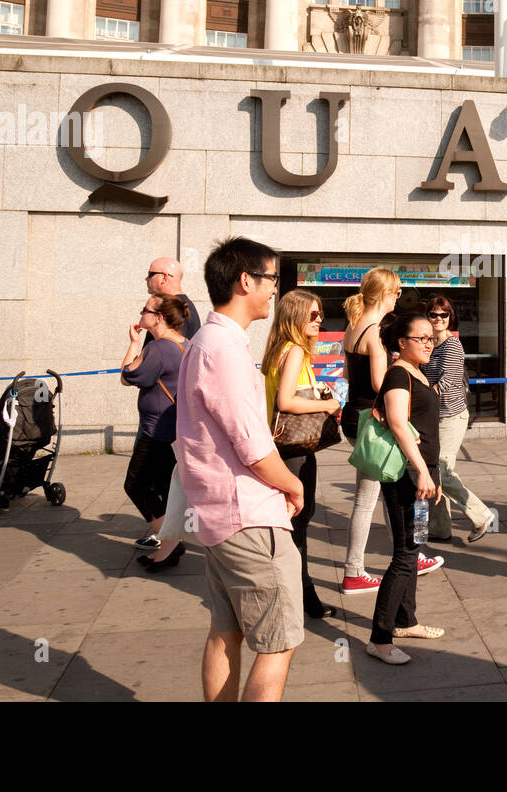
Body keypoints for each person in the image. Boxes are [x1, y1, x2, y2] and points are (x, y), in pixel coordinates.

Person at [176, 237, 305, 702]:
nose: (276, 289)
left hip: (218, 514)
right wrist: (292, 485)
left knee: (225, 631)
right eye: (271, 278)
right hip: (247, 514)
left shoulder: (207, 342)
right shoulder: (223, 348)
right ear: (245, 280)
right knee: (279, 642)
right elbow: (252, 445)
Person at [340, 267, 443, 593]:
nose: (399, 297)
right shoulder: (372, 330)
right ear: (384, 294)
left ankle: (414, 552)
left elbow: (346, 374)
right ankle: (354, 570)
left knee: (387, 492)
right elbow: (378, 382)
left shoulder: (353, 327)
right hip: (373, 423)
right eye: (396, 292)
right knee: (367, 499)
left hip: (356, 416)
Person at [366, 311, 447, 665]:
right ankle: (379, 639)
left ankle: (406, 620)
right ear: (402, 343)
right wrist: (421, 472)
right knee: (403, 554)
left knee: (414, 547)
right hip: (406, 477)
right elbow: (398, 425)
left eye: (432, 338)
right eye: (422, 338)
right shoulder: (398, 374)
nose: (429, 344)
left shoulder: (417, 372)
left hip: (422, 474)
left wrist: (434, 474)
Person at [262, 290, 341, 620]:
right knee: (299, 523)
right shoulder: (294, 351)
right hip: (295, 451)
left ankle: (296, 595)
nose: (319, 320)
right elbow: (286, 402)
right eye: (313, 315)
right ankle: (302, 598)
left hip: (279, 447)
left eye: (320, 314)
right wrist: (328, 404)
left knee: (291, 522)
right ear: (294, 317)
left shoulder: (279, 350)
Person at [120, 293, 189, 571]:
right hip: (174, 430)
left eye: (145, 310)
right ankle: (169, 546)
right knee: (163, 489)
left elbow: (127, 376)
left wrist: (135, 344)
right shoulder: (185, 344)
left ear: (158, 318)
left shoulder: (158, 348)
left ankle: (169, 540)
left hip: (156, 431)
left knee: (135, 485)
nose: (141, 314)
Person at [419, 295, 493, 543]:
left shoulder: (452, 345)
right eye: (433, 314)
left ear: (451, 318)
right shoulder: (427, 343)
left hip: (451, 416)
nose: (439, 319)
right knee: (433, 470)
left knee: (441, 469)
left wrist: (421, 396)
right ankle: (440, 528)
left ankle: (481, 515)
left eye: (444, 315)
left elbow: (448, 380)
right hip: (431, 416)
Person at [145, 257, 201, 340]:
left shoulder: (174, 309)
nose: (146, 278)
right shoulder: (183, 306)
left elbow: (169, 350)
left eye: (150, 274)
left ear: (164, 277)